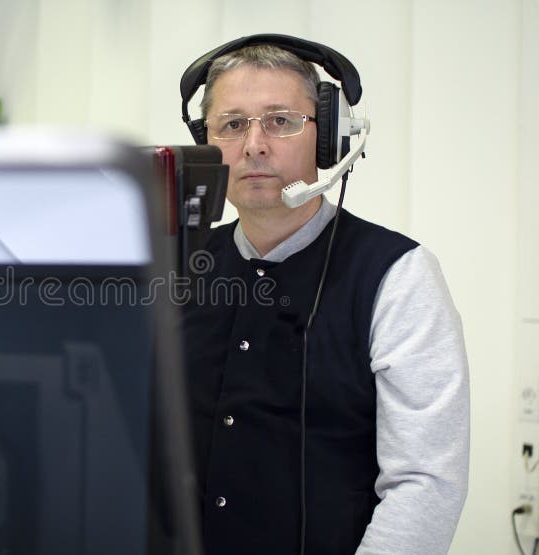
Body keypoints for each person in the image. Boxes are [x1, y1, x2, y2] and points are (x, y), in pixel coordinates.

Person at [180, 38, 469, 555]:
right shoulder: (177, 265)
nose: (254, 145)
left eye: (281, 121)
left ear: (329, 140)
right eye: (232, 124)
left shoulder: (398, 276)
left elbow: (424, 482)